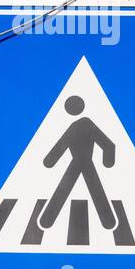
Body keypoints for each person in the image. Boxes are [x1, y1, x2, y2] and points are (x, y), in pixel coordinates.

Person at [37, 95, 117, 231]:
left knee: (66, 189)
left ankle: (47, 220)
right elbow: (108, 144)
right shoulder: (83, 125)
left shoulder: (81, 125)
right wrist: (107, 161)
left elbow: (108, 144)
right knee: (93, 189)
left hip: (80, 162)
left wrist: (50, 161)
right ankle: (108, 221)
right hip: (83, 163)